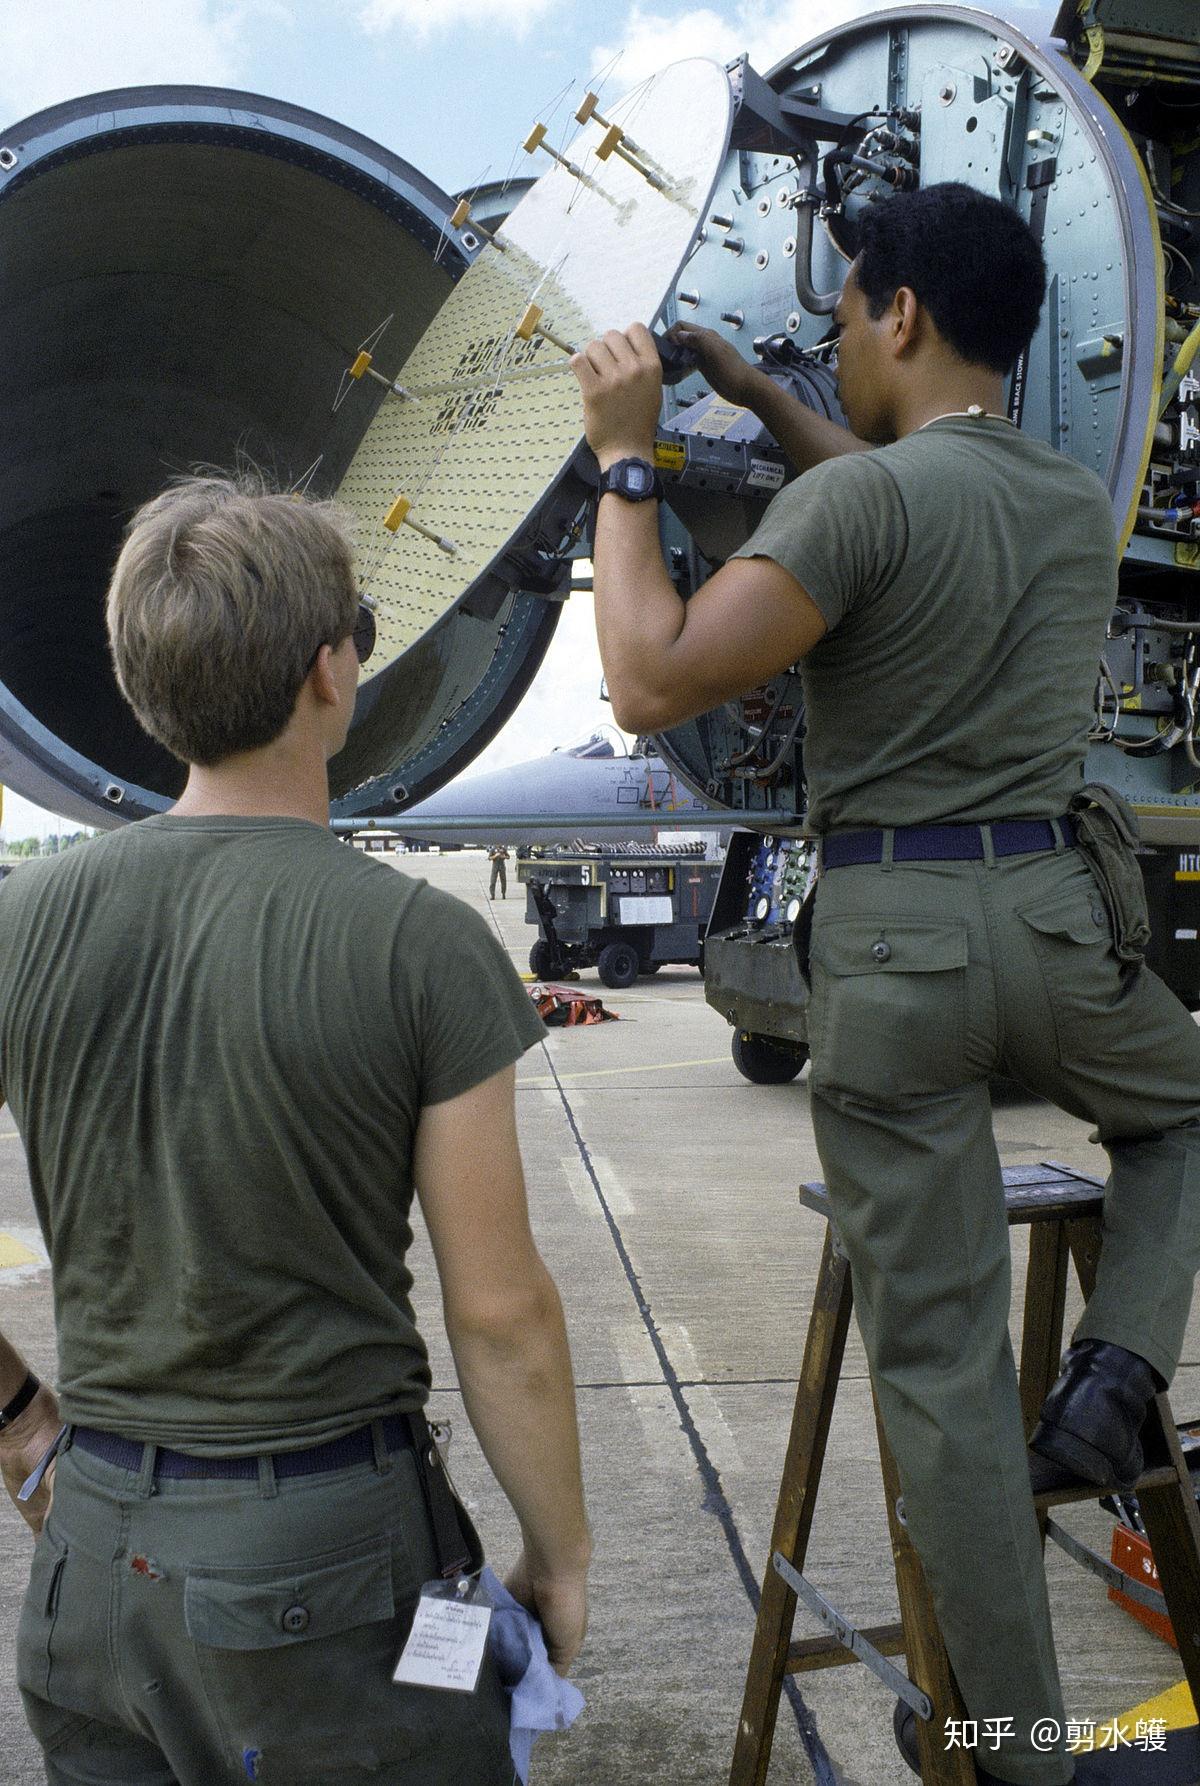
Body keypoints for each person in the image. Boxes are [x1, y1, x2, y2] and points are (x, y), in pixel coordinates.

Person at [569, 180, 1200, 1786]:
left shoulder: (850, 519)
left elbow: (646, 677)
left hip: (899, 953)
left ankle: (1025, 1750)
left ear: (900, 312)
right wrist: (767, 390)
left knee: (942, 1380)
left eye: (846, 317)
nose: (838, 342)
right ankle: (1124, 1371)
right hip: (1067, 929)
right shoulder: (1067, 502)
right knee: (1187, 1112)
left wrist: (629, 460)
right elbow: (900, 487)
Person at [0, 474, 591, 1786]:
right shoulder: (423, 943)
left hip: (92, 1559)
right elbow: (500, 1312)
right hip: (326, 1564)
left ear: (144, 684)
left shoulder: (23, 926)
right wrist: (561, 1553)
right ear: (333, 672)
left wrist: (19, 1423)